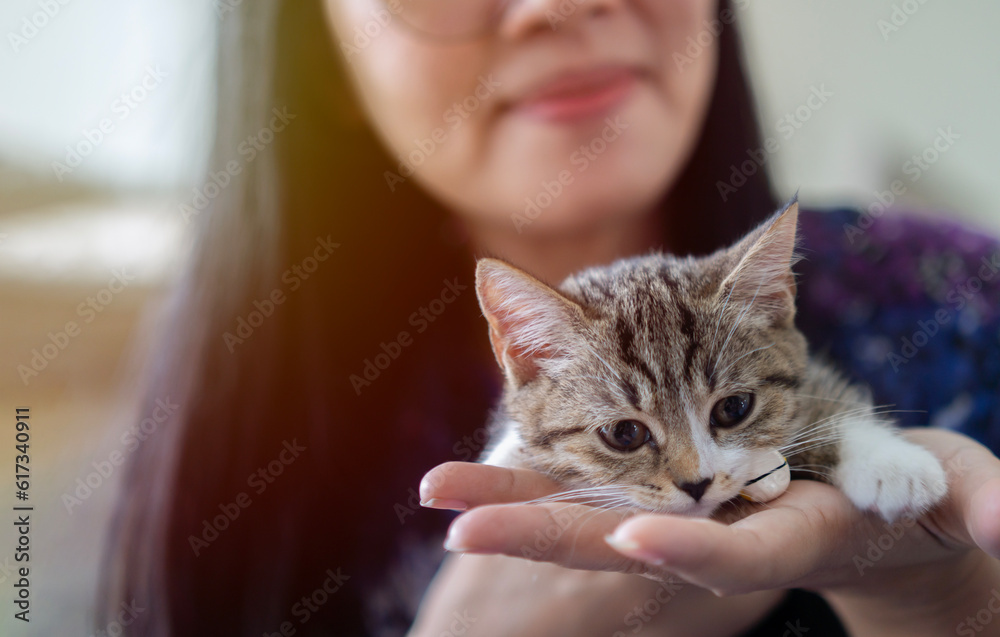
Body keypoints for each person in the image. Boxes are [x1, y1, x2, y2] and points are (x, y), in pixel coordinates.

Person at [100, 0, 1000, 635]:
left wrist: (934, 601)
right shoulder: (234, 408)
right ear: (316, 48)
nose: (561, 5)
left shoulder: (965, 302)